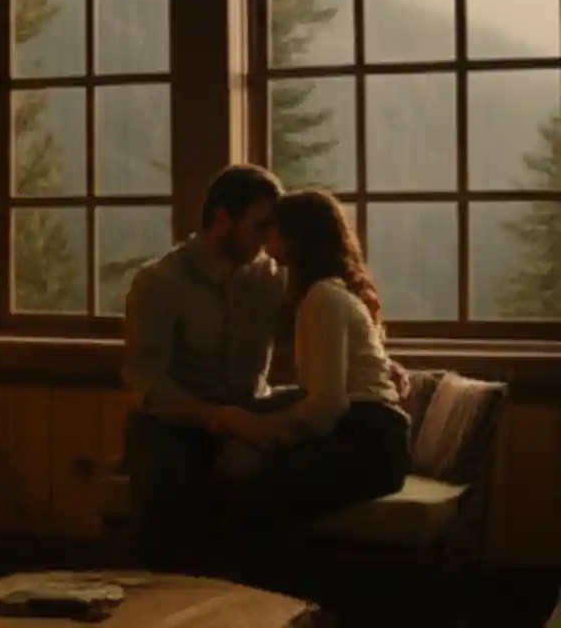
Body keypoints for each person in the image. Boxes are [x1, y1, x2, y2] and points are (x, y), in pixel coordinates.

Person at [210, 189, 410, 531]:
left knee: (249, 492)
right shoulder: (326, 294)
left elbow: (326, 405)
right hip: (369, 439)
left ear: (296, 239)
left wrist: (267, 429)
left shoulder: (323, 298)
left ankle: (263, 583)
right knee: (240, 469)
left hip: (369, 443)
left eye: (273, 229)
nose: (265, 238)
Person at [121, 164, 289, 569]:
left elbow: (324, 319)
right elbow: (148, 384)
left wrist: (376, 362)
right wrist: (215, 418)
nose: (267, 240)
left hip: (248, 412)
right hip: (178, 422)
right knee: (168, 479)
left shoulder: (271, 278)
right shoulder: (159, 283)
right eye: (259, 227)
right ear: (221, 220)